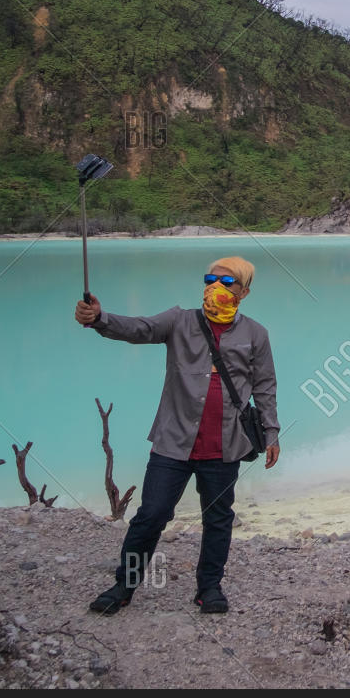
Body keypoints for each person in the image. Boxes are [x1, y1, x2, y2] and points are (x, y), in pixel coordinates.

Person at [77, 256, 281, 616]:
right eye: (210, 279)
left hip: (226, 445)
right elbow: (139, 328)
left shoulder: (256, 334)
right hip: (173, 441)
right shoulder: (179, 321)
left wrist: (271, 432)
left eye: (227, 282)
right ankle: (124, 585)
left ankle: (209, 588)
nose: (215, 286)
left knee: (218, 517)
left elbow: (264, 385)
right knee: (152, 514)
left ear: (244, 292)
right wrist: (100, 319)